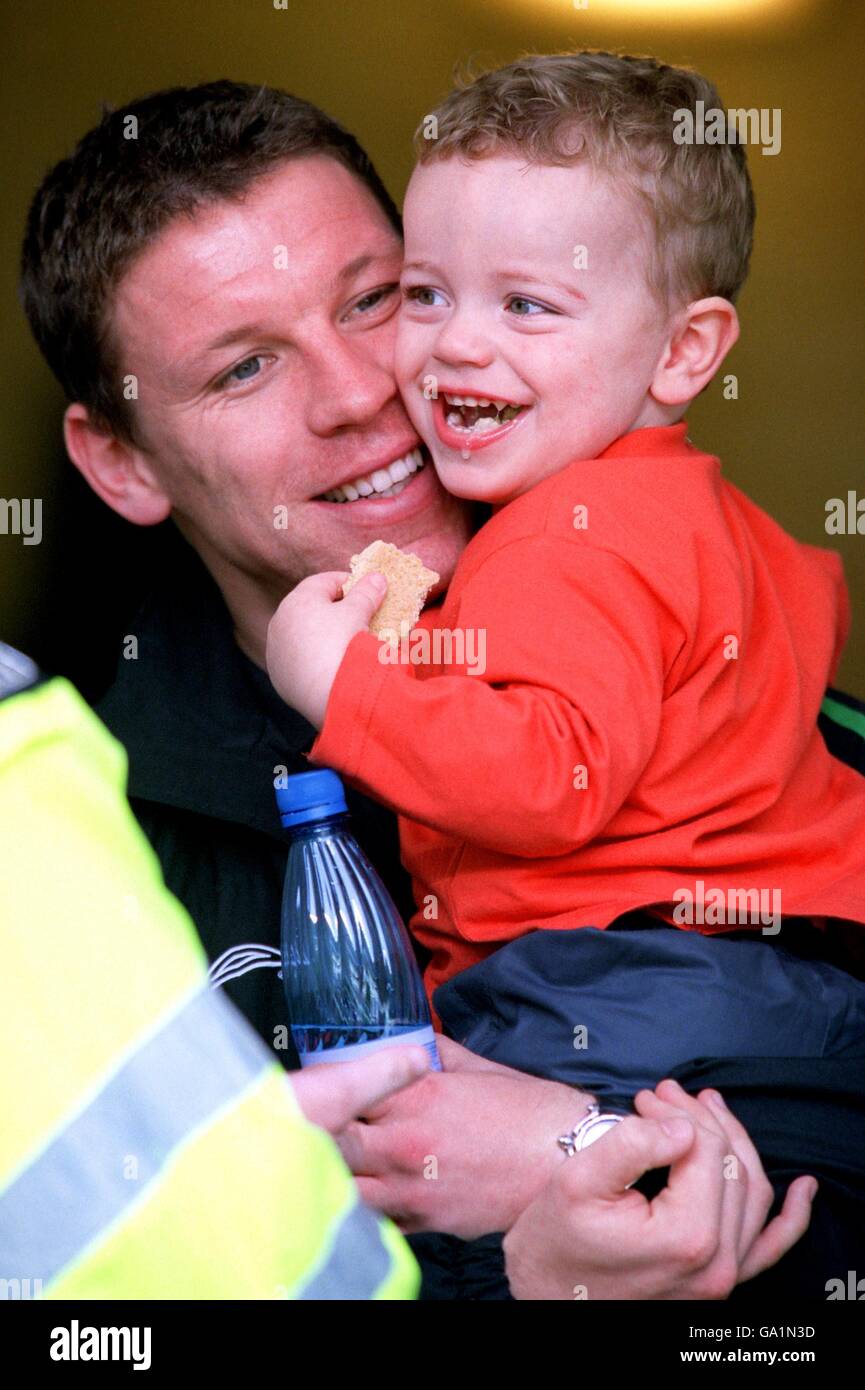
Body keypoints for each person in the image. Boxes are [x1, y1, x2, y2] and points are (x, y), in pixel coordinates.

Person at [17, 78, 858, 1298]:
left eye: (377, 299)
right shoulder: (91, 869)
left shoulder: (767, 698)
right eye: (246, 367)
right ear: (122, 461)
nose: (364, 390)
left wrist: (578, 1144)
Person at [0, 640, 813, 1301]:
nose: (357, 423)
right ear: (120, 464)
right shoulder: (86, 816)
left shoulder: (731, 699)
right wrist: (518, 1270)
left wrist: (587, 1146)